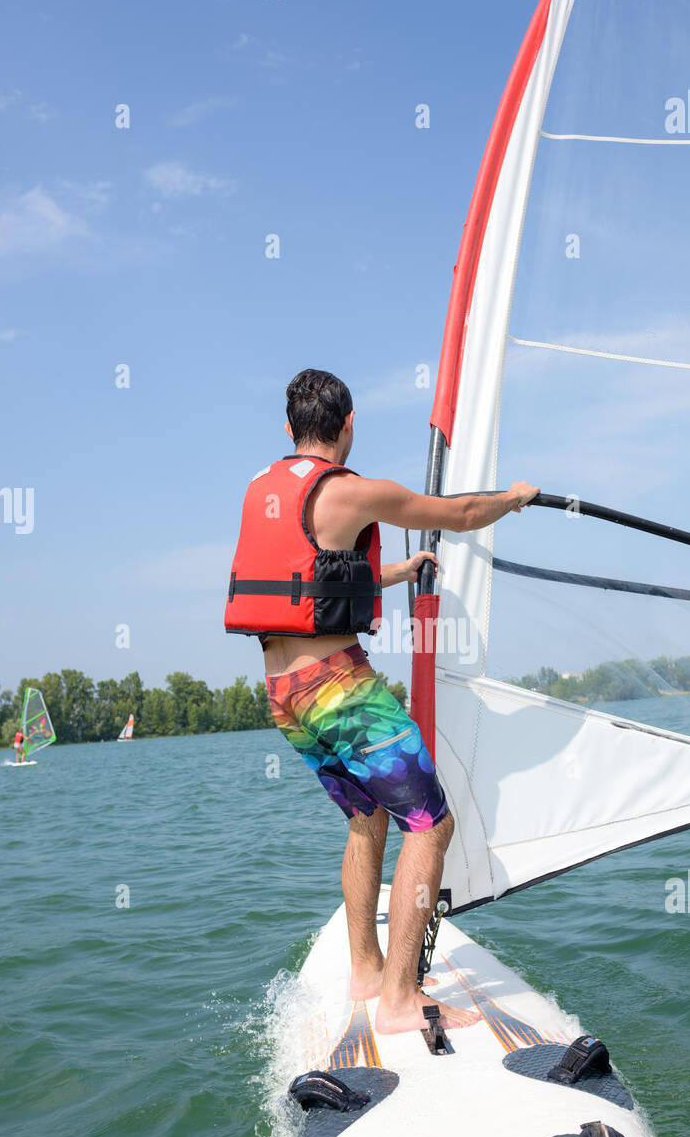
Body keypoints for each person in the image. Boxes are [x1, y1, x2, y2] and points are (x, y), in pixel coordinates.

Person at [226, 369, 538, 1034]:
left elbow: (314, 578)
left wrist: (401, 570)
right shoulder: (352, 491)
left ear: (289, 430)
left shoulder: (262, 491)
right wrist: (512, 498)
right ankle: (400, 998)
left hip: (283, 695)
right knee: (430, 824)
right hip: (338, 689)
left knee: (366, 818)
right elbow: (456, 514)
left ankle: (366, 971)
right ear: (348, 423)